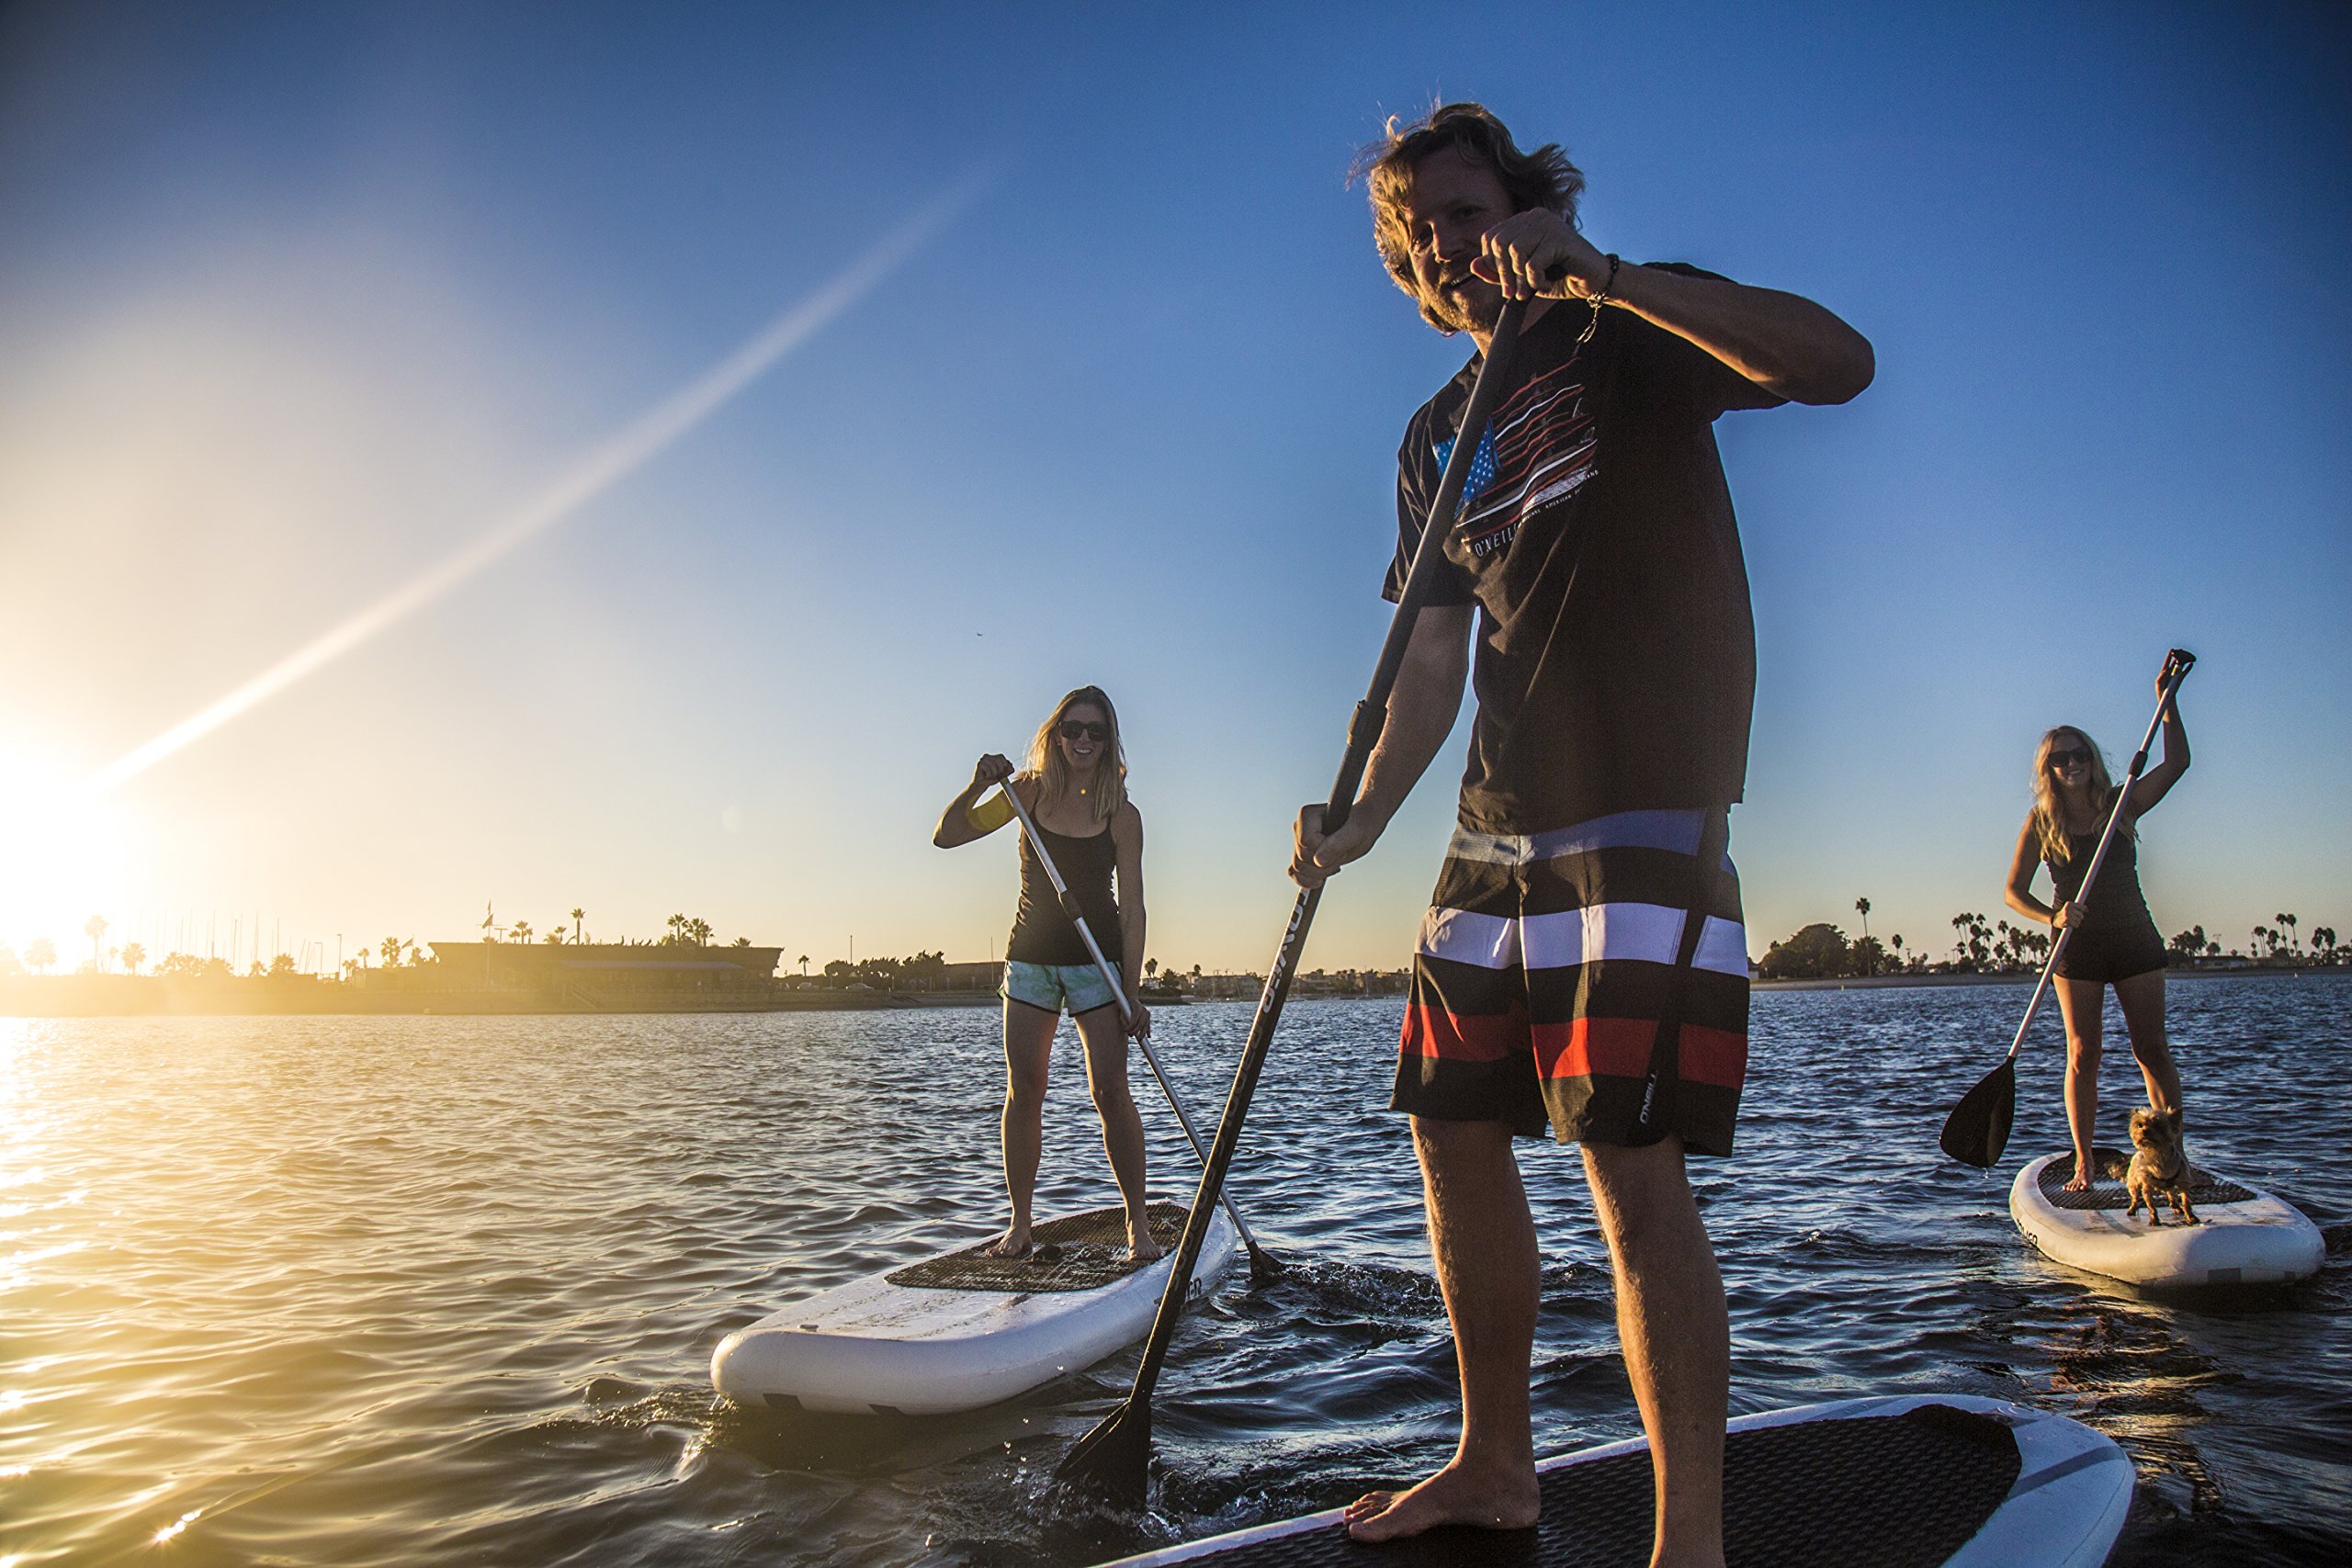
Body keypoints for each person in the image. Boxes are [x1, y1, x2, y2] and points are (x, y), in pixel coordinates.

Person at [1290, 104, 1872, 1562]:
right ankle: (1495, 1462)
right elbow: (1429, 664)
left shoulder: (1626, 322)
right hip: (1493, 828)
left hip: (1642, 796)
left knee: (1627, 1161)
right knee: (1449, 1131)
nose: (1447, 244)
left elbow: (1834, 361)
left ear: (1530, 206)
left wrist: (1601, 274)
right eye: (1419, 234)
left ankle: (1693, 1540)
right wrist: (1359, 810)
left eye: (1468, 210)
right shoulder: (1432, 442)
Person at [934, 685, 1160, 1263]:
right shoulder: (1026, 793)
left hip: (1097, 965)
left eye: (1096, 731)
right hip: (1031, 962)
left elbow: (1133, 908)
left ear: (1109, 741)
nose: (1083, 740)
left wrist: (1130, 993)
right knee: (1025, 1090)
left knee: (1111, 1091)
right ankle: (1020, 1225)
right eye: (1073, 729)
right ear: (1055, 736)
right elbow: (949, 834)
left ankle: (1139, 1226)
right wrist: (980, 784)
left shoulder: (1122, 813)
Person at [2002, 680, 2190, 1192]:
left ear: (2091, 757)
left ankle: (2173, 1154)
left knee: (2151, 1047)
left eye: (2079, 753)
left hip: (2134, 937)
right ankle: (2084, 1162)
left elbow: (2176, 766)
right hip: (2077, 946)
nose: (2072, 763)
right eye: (2060, 758)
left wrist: (2166, 703)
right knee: (2084, 1053)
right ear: (2049, 768)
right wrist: (2054, 917)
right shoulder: (2042, 821)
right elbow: (2013, 892)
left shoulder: (2119, 802)